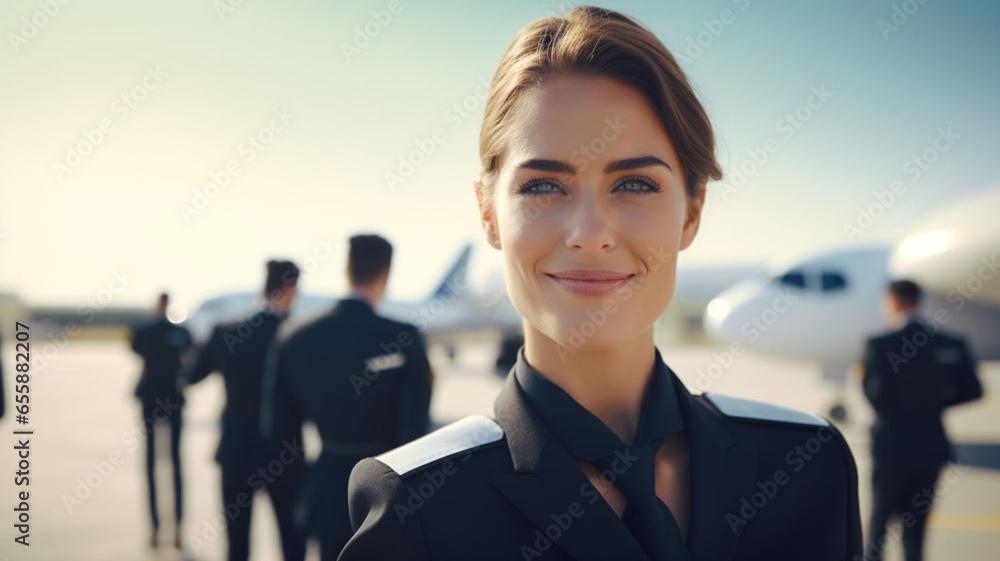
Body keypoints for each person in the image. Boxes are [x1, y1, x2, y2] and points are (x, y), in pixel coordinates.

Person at [339, 7, 862, 560]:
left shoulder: (808, 463)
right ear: (488, 215)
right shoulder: (415, 505)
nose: (590, 234)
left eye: (634, 183)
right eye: (543, 186)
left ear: (691, 213)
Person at [262, 233, 433, 560]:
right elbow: (415, 434)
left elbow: (280, 434)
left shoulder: (295, 337)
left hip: (328, 492)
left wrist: (302, 499)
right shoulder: (403, 337)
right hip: (389, 496)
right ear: (386, 273)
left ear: (346, 270)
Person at [187, 260, 306, 561]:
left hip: (237, 452)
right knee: (292, 543)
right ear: (290, 289)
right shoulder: (298, 336)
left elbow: (189, 377)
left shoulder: (226, 332)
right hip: (284, 455)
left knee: (237, 545)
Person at [862, 279, 982, 561]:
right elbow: (974, 391)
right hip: (931, 447)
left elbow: (878, 399)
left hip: (891, 449)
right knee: (916, 529)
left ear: (893, 301)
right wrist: (934, 403)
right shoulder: (950, 343)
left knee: (878, 527)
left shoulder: (880, 346)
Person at [129, 293, 193, 549]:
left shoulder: (145, 331)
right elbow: (189, 360)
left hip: (155, 398)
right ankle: (170, 527)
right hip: (170, 398)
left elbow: (136, 349)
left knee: (156, 464)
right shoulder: (179, 332)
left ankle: (162, 528)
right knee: (172, 464)